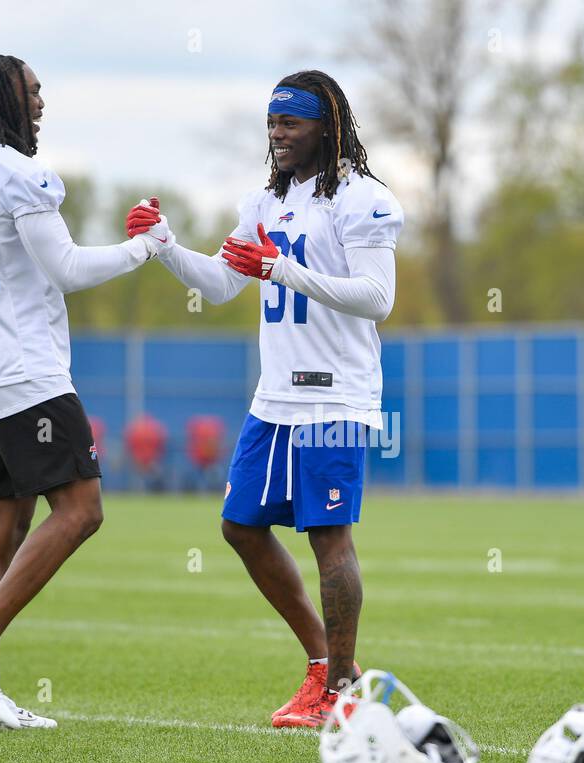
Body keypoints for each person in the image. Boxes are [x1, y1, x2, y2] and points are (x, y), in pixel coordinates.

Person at [130, 70, 403, 727]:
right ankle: (324, 666)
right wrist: (163, 246)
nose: (278, 135)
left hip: (335, 395)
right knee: (239, 525)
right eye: (272, 124)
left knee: (327, 535)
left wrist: (282, 269)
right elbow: (224, 285)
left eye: (292, 123)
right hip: (275, 396)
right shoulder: (262, 202)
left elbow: (378, 297)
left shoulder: (362, 198)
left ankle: (340, 689)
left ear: (326, 127)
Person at [0, 53, 162, 729]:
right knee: (82, 509)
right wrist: (143, 249)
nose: (41, 103)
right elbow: (66, 268)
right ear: (2, 97)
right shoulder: (20, 173)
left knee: (2, 527)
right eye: (30, 92)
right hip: (29, 372)